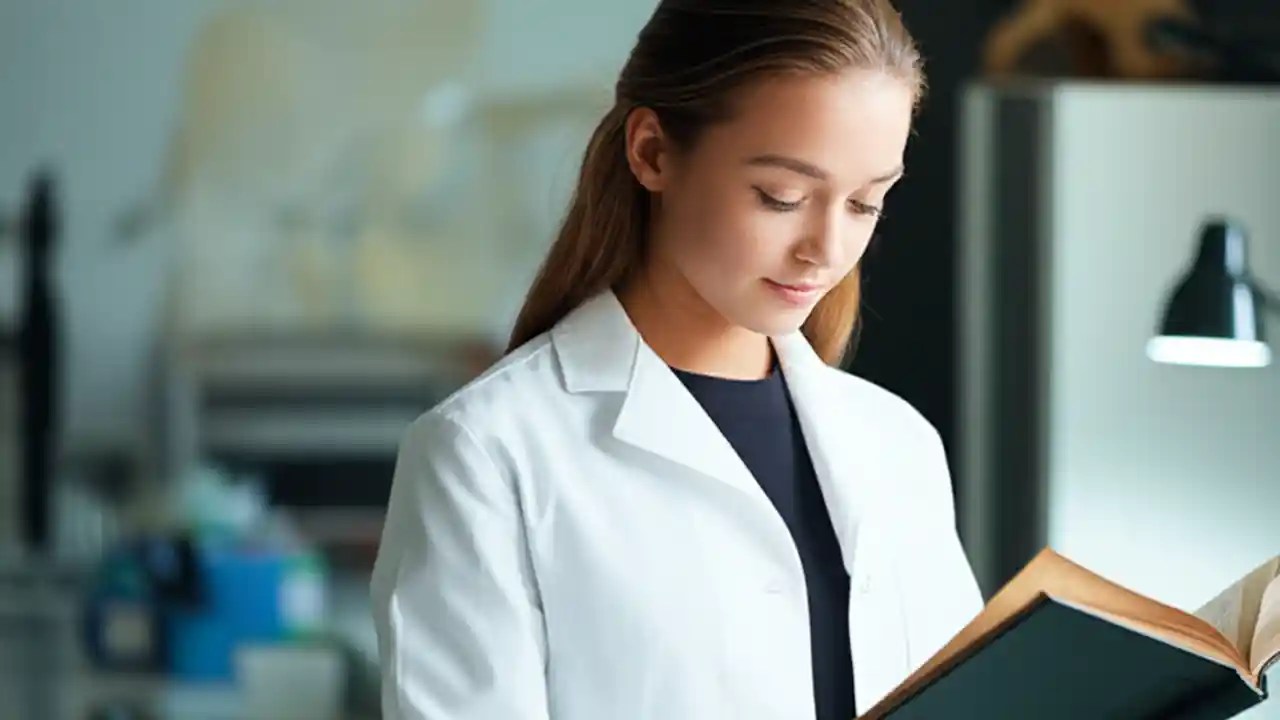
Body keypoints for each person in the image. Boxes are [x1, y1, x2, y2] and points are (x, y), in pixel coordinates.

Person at [370, 1, 983, 718]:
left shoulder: (897, 444)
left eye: (865, 203)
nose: (827, 249)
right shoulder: (486, 453)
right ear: (653, 152)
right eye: (781, 197)